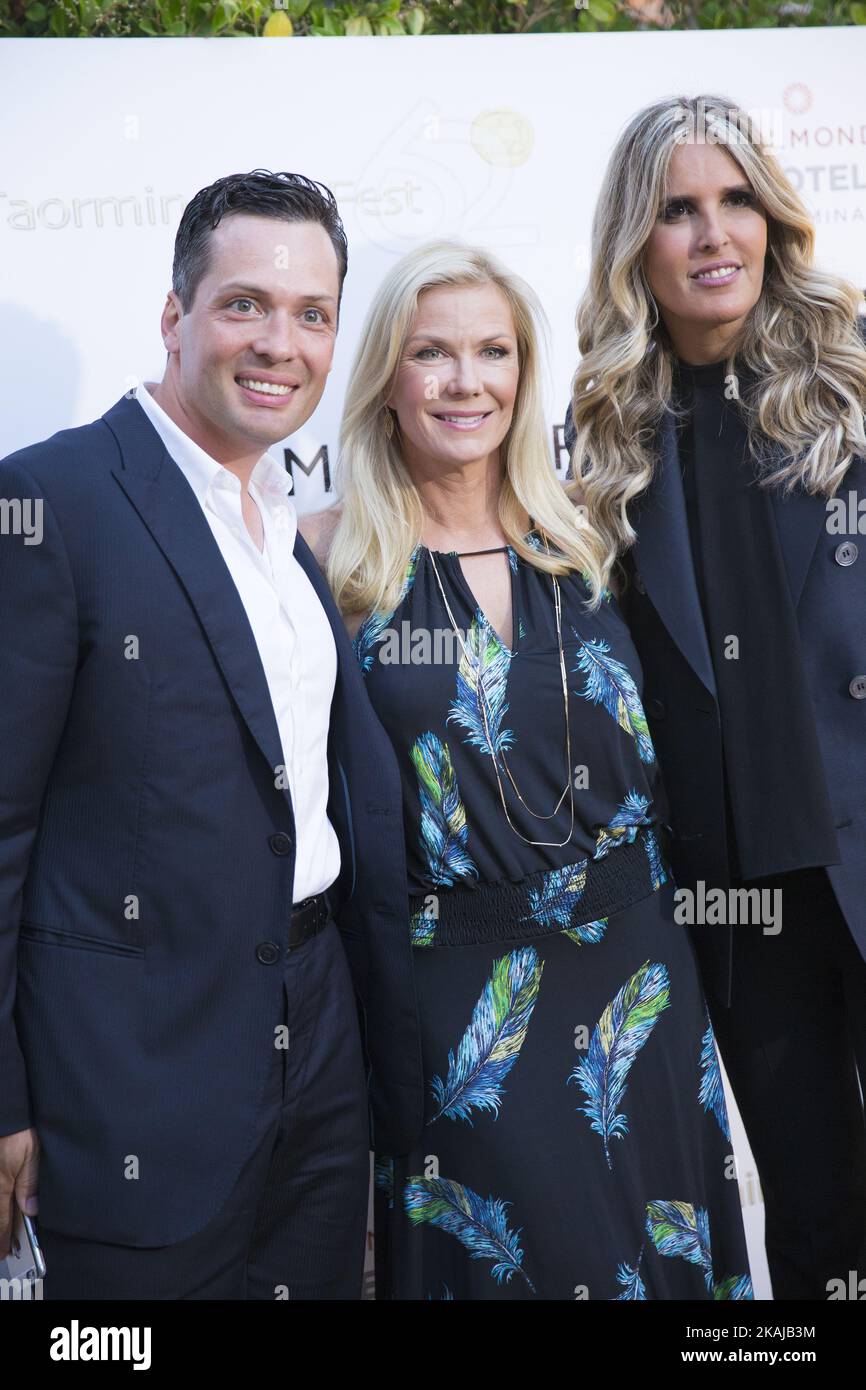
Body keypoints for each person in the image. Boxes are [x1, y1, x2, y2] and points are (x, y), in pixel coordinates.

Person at [300, 239, 752, 1300]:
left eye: (492, 351)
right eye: (432, 354)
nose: (467, 382)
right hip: (456, 1006)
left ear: (522, 370)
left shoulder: (593, 540)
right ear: (385, 378)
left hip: (639, 977)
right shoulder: (327, 563)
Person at [0, 169, 423, 1300]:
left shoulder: (283, 536)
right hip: (130, 1088)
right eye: (244, 304)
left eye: (311, 314)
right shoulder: (53, 504)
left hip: (318, 1058)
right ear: (174, 315)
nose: (278, 342)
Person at [563, 94, 866, 1300]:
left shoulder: (847, 392)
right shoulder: (603, 445)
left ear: (771, 217)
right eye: (676, 209)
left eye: (734, 198)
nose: (711, 233)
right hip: (743, 907)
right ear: (634, 239)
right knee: (811, 1218)